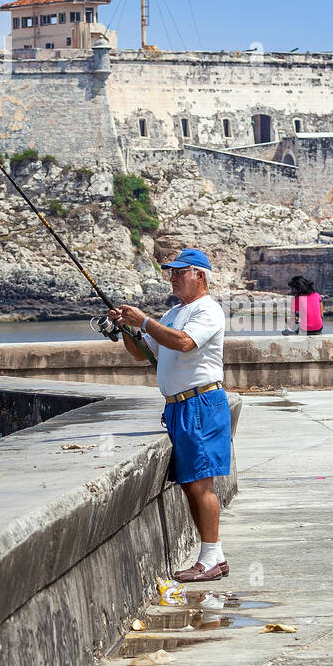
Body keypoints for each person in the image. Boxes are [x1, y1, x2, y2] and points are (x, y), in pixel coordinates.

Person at [112, 247, 232, 584]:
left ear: (200, 276)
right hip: (178, 406)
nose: (173, 278)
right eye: (171, 272)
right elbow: (141, 353)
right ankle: (215, 556)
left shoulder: (208, 311)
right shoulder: (172, 314)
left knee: (200, 484)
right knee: (191, 483)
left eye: (180, 272)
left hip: (200, 404)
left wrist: (144, 320)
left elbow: (183, 344)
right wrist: (126, 328)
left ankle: (209, 558)